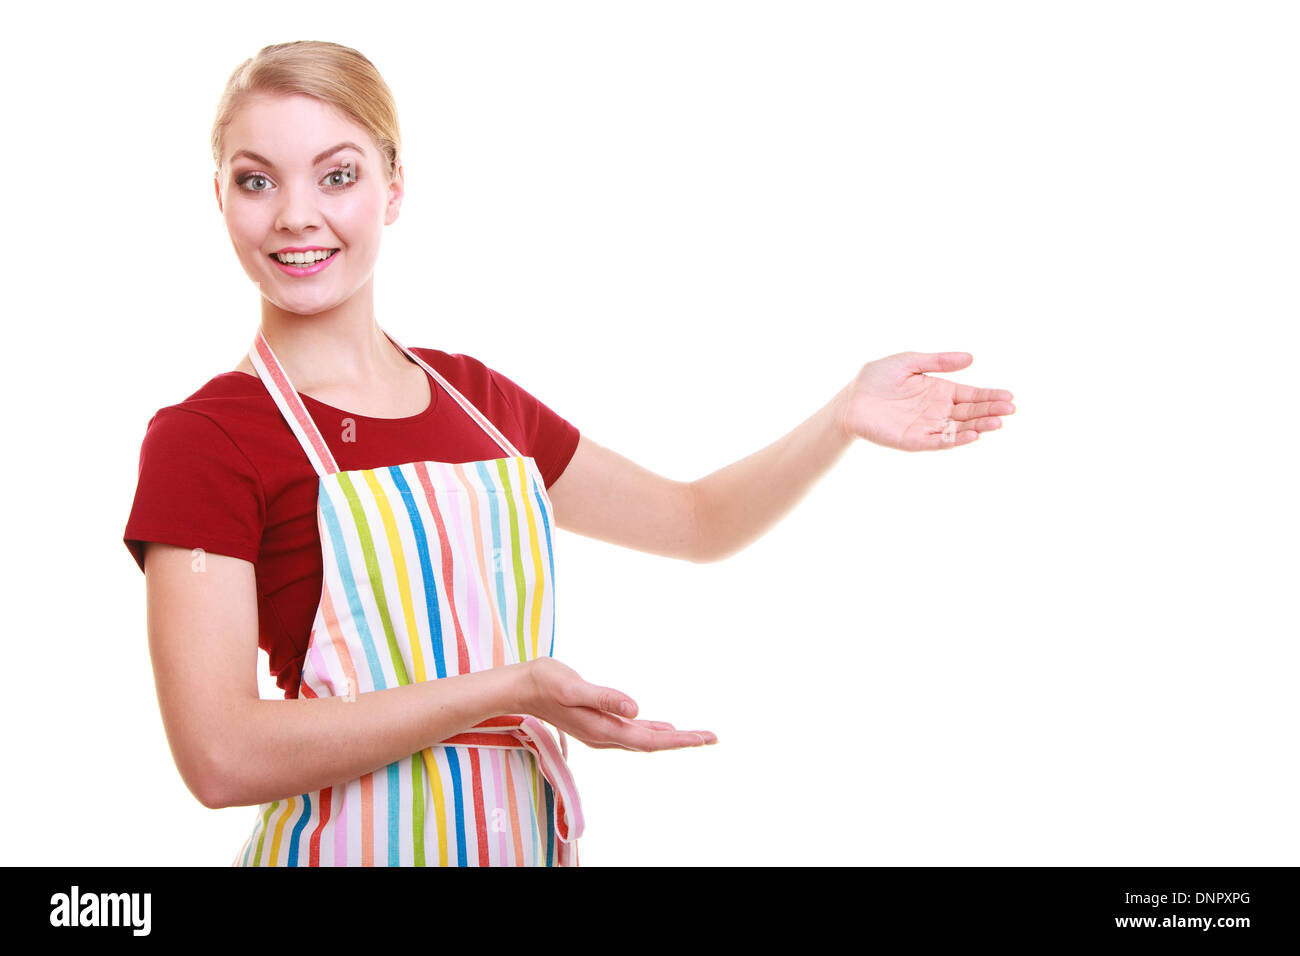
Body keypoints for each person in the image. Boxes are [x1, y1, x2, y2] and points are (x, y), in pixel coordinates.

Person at [123, 40, 1015, 867]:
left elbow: (694, 521)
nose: (296, 216)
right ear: (218, 198)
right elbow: (219, 756)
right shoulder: (206, 440)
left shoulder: (477, 401)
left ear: (394, 187)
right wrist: (504, 690)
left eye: (338, 174)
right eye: (256, 182)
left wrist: (840, 419)